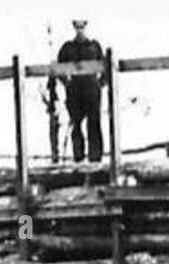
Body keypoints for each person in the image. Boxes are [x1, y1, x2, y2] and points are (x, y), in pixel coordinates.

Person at [56, 19, 104, 163]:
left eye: (82, 26)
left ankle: (95, 158)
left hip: (91, 90)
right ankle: (78, 157)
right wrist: (67, 83)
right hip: (75, 91)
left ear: (86, 27)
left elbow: (106, 66)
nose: (79, 30)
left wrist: (99, 84)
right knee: (76, 124)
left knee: (94, 123)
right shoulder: (67, 48)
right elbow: (58, 69)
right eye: (77, 27)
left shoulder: (94, 46)